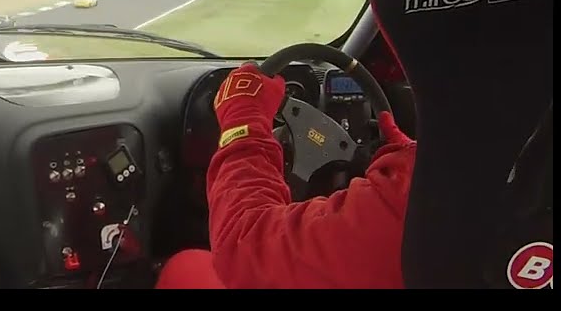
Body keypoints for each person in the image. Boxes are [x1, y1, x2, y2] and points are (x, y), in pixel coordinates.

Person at [156, 63, 417, 289]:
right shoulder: (427, 182)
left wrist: (242, 122)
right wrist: (408, 161)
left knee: (184, 268)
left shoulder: (413, 205)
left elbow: (243, 247)